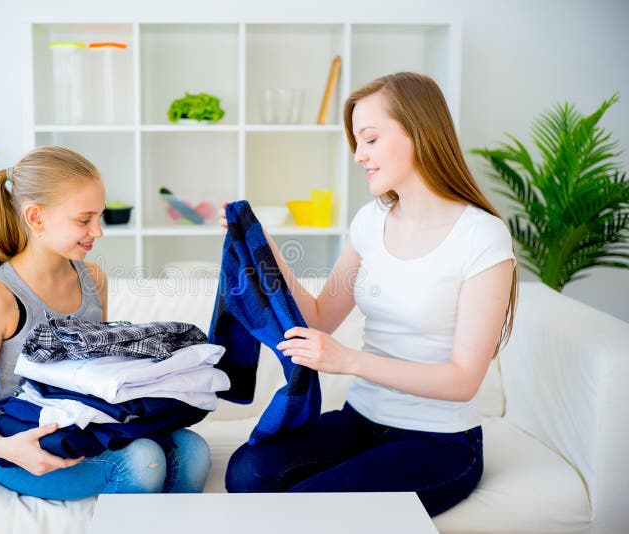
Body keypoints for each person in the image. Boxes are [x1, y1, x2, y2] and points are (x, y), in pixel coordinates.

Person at [221, 72, 518, 516]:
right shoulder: (370, 221)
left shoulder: (482, 238)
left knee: (307, 508)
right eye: (357, 143)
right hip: (361, 419)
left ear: (419, 132)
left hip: (439, 441)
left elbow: (462, 380)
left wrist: (349, 361)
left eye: (371, 139)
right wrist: (266, 251)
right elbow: (320, 317)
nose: (359, 156)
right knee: (247, 473)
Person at [0, 146, 211, 500]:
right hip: (23, 446)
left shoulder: (93, 278)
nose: (98, 231)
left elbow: (97, 373)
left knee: (193, 452)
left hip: (85, 425)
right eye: (84, 220)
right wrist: (14, 450)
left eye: (99, 217)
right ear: (36, 218)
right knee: (142, 461)